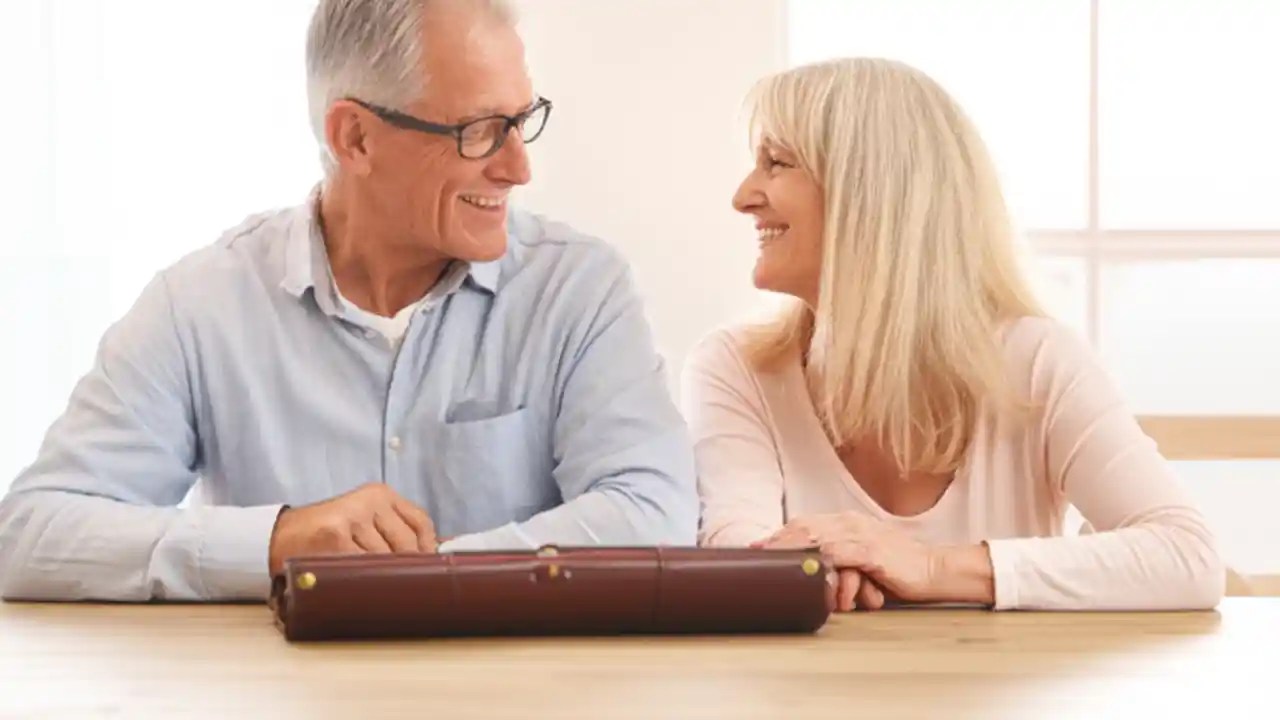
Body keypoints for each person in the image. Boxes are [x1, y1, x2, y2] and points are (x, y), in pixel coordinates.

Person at [0, 0, 697, 602]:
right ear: (355, 138)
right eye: (479, 130)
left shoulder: (578, 289)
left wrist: (431, 580)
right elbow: (32, 535)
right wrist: (277, 541)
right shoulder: (202, 305)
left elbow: (654, 512)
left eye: (522, 120)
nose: (518, 166)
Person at [682, 57, 1225, 612]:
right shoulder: (735, 367)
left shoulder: (1036, 361)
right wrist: (824, 571)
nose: (743, 195)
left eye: (776, 163)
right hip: (803, 700)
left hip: (1005, 699)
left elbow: (1187, 557)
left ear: (870, 194)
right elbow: (738, 561)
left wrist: (928, 566)